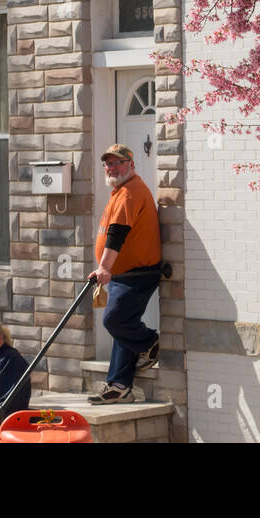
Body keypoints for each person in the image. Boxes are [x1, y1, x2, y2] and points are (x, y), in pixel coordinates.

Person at [88, 143, 162, 404]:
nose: (112, 167)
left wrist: (105, 267)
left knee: (115, 319)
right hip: (123, 273)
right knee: (123, 321)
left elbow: (118, 233)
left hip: (137, 273)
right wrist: (105, 267)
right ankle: (120, 386)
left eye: (118, 162)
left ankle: (150, 343)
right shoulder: (119, 192)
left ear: (131, 164)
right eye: (108, 163)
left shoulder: (130, 192)